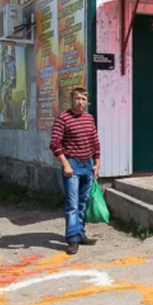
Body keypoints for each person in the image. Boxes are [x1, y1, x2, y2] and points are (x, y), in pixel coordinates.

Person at [50, 88, 100, 255]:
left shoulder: (89, 118)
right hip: (72, 165)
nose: (80, 102)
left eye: (84, 99)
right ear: (71, 100)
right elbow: (55, 144)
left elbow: (95, 141)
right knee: (72, 203)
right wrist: (65, 165)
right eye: (77, 99)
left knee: (83, 202)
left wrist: (97, 163)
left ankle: (80, 233)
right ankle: (72, 239)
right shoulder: (63, 118)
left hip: (88, 165)